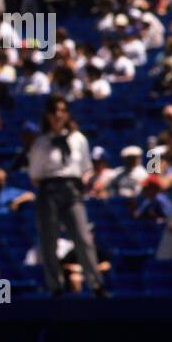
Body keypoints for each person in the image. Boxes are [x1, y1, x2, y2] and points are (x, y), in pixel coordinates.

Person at [27, 95, 108, 296]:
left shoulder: (78, 139)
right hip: (48, 190)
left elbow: (85, 168)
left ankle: (96, 283)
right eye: (54, 111)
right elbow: (35, 175)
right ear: (48, 115)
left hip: (72, 189)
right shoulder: (40, 143)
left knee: (83, 237)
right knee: (49, 240)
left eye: (62, 110)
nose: (58, 115)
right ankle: (55, 285)